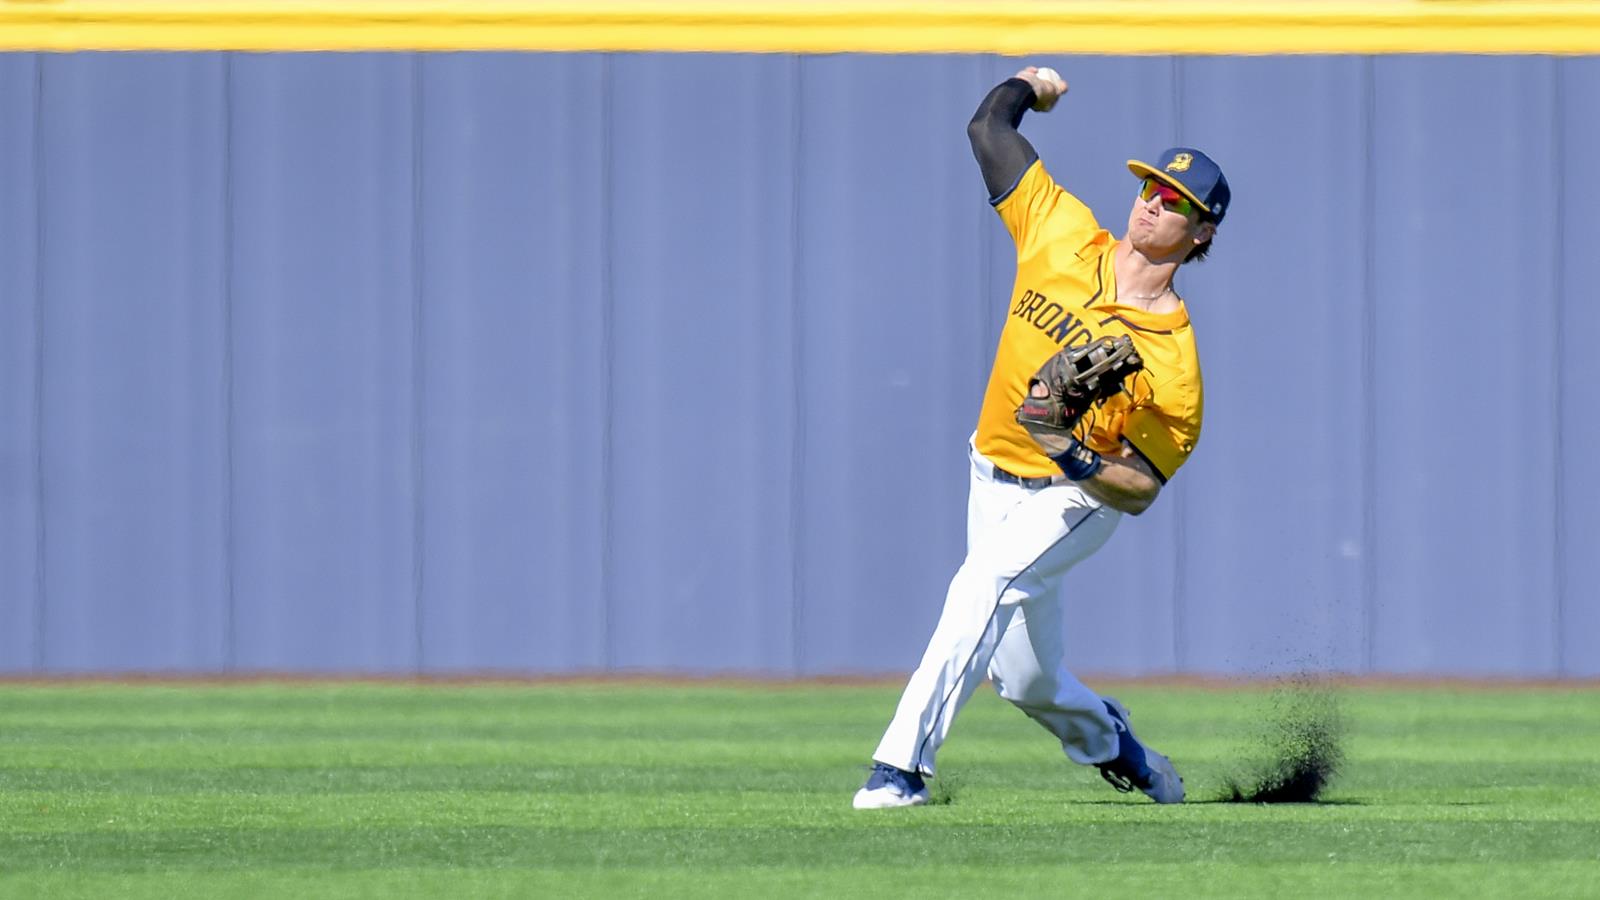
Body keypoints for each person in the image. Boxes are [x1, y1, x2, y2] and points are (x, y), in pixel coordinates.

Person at [852, 65, 1230, 809]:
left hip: (1073, 495)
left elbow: (1141, 490)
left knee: (980, 582)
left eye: (1175, 202)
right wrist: (1027, 84)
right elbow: (988, 130)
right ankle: (1120, 748)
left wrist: (1070, 449)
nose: (1153, 204)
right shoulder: (1060, 230)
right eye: (1151, 187)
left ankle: (900, 771)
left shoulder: (1173, 366)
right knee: (1022, 679)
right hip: (989, 468)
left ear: (1201, 232)